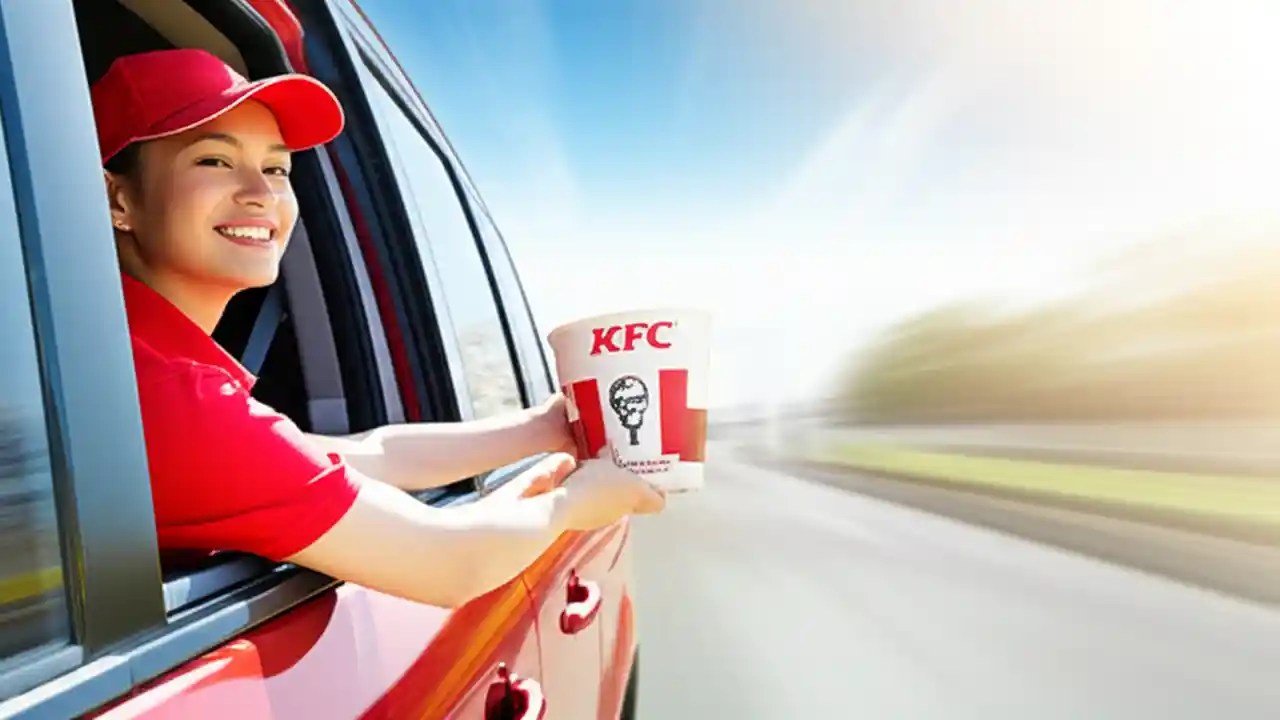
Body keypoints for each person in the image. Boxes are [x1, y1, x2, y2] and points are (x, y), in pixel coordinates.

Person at [90, 48, 665, 608]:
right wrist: (575, 505)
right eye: (213, 161)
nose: (261, 193)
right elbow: (448, 565)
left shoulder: (116, 365)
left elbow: (371, 454)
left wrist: (542, 428)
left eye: (276, 168)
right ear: (119, 200)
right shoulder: (170, 397)